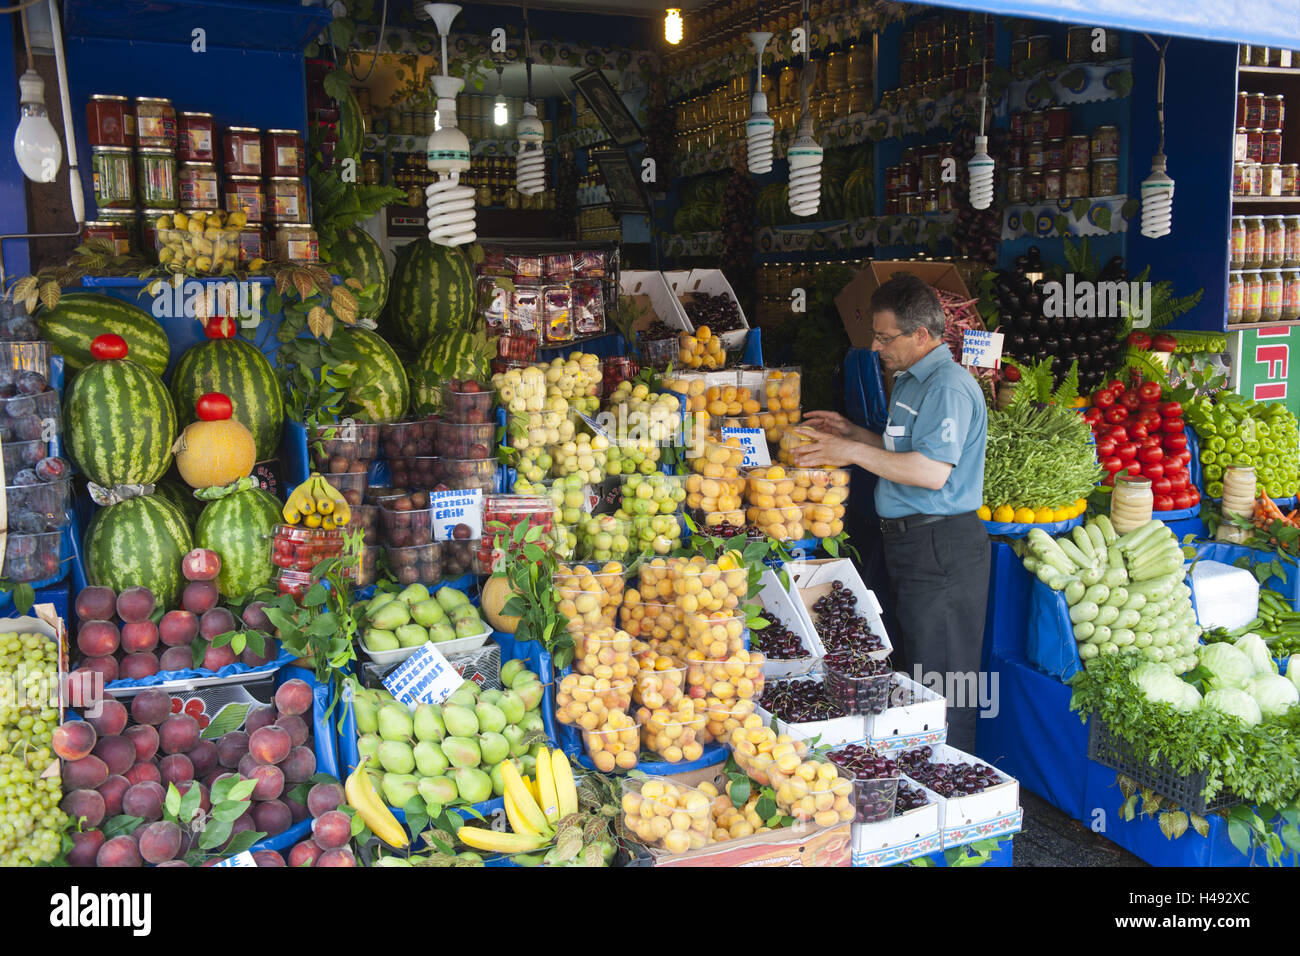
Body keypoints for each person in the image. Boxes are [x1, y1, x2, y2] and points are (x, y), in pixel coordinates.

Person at [794, 273, 990, 752]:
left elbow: (928, 472)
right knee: (917, 665)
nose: (877, 347)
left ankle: (953, 777)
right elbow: (901, 449)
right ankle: (914, 769)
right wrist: (855, 434)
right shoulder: (911, 381)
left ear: (920, 334)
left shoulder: (946, 386)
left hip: (941, 545)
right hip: (911, 543)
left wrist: (850, 452)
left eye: (885, 337)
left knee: (946, 677)